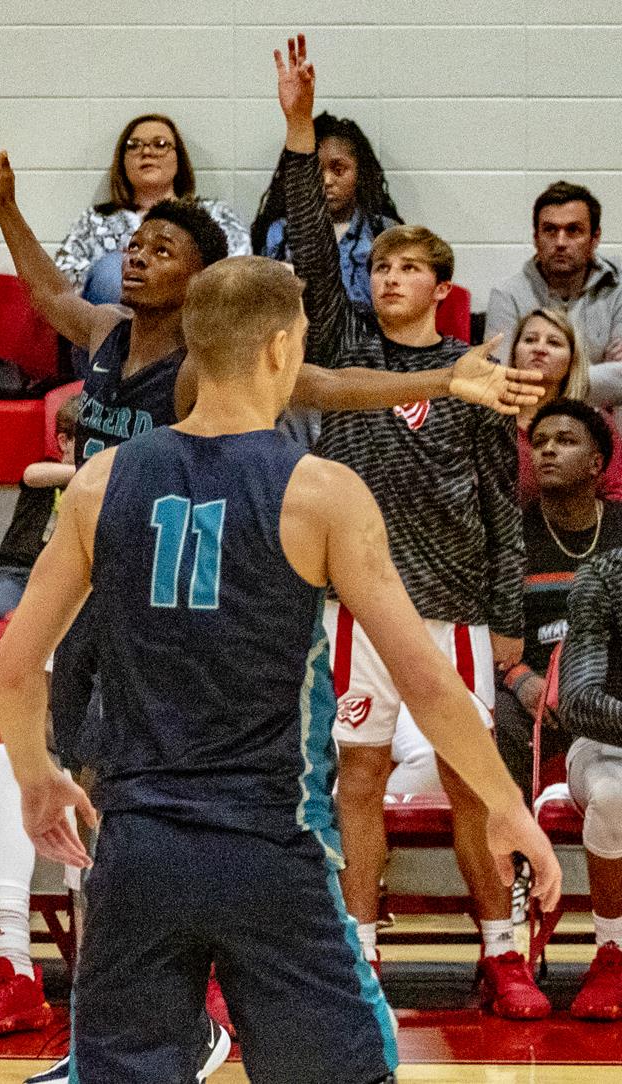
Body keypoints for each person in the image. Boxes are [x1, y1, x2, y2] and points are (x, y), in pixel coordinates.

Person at [0, 249, 563, 1083]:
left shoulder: (98, 481)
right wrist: (506, 804)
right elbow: (426, 677)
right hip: (270, 848)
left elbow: (14, 666)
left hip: (138, 850)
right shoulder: (324, 491)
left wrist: (38, 778)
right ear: (280, 350)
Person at [275, 38, 536, 1011]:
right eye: (378, 266)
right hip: (350, 615)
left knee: (473, 786)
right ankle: (357, 955)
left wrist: (504, 619)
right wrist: (298, 133)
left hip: (454, 614)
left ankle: (501, 950)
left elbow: (503, 511)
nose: (385, 278)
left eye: (404, 268)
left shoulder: (472, 374)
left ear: (439, 283)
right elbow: (308, 249)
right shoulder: (343, 347)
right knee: (353, 782)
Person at [498, 399, 622, 805]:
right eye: (539, 442)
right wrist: (522, 682)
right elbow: (486, 630)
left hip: (610, 692)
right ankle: (516, 852)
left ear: (595, 463)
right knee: (495, 717)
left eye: (565, 440)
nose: (547, 449)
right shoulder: (510, 536)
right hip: (534, 695)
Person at [51, 114, 250, 306]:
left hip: (191, 324)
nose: (147, 152)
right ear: (123, 161)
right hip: (112, 325)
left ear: (178, 158)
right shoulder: (95, 220)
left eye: (160, 144)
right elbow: (61, 282)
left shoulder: (214, 215)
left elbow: (237, 276)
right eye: (134, 145)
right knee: (114, 267)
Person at [552, 546, 622, 1021]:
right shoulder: (603, 576)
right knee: (615, 796)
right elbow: (576, 702)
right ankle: (612, 950)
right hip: (607, 746)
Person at [253, 112, 402, 312]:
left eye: (338, 170)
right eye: (315, 171)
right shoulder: (280, 234)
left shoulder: (384, 232)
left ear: (360, 173)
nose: (326, 181)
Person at [484, 182, 622, 376]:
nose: (560, 242)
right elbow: (498, 378)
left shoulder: (618, 285)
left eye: (573, 230)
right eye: (550, 230)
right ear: (536, 238)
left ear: (595, 237)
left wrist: (545, 377)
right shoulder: (507, 295)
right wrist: (600, 375)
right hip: (533, 407)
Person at [508, 308, 622, 501]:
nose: (540, 349)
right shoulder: (488, 419)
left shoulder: (596, 424)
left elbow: (615, 494)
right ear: (514, 355)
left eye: (554, 342)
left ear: (572, 360)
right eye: (530, 340)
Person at [0, 396, 77, 620]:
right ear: (64, 442)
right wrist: (94, 472)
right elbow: (31, 475)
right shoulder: (45, 471)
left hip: (64, 580)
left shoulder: (99, 485)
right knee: (1, 612)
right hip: (18, 573)